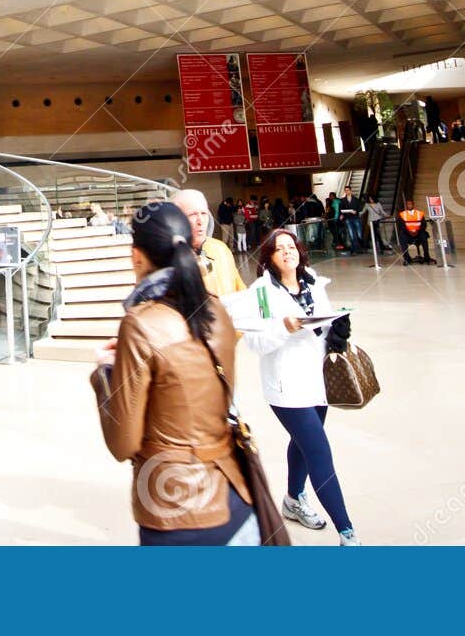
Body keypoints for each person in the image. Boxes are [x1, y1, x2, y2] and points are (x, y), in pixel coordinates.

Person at [89, 200, 256, 545]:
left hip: (178, 512)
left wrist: (105, 375)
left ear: (136, 256)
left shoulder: (141, 324)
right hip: (236, 496)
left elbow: (122, 443)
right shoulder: (215, 308)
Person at [231, 229, 360, 544]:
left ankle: (292, 500)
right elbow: (256, 343)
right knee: (318, 452)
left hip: (319, 381)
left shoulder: (313, 282)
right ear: (270, 258)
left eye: (291, 246)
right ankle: (347, 533)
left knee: (303, 445)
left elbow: (322, 328)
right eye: (279, 248)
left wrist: (338, 329)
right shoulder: (262, 293)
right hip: (286, 387)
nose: (287, 252)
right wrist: (283, 328)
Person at [171, 189, 244, 297]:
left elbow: (240, 291)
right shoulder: (167, 258)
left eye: (204, 213)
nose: (200, 221)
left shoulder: (220, 249)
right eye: (192, 214)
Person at [397, 200, 431, 264]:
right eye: (408, 204)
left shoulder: (419, 213)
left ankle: (427, 257)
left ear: (413, 205)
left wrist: (417, 231)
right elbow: (401, 226)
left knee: (424, 235)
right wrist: (409, 232)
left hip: (418, 233)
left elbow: (423, 225)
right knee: (402, 236)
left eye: (410, 204)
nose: (409, 205)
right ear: (406, 205)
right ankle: (407, 259)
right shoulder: (402, 214)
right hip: (407, 234)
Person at [340, 187, 363, 252]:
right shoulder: (343, 200)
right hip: (348, 219)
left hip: (356, 218)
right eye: (345, 190)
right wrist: (341, 214)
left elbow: (360, 208)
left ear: (350, 191)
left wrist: (356, 211)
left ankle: (360, 247)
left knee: (359, 234)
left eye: (347, 190)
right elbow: (341, 209)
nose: (346, 191)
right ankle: (354, 249)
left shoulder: (356, 199)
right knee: (351, 235)